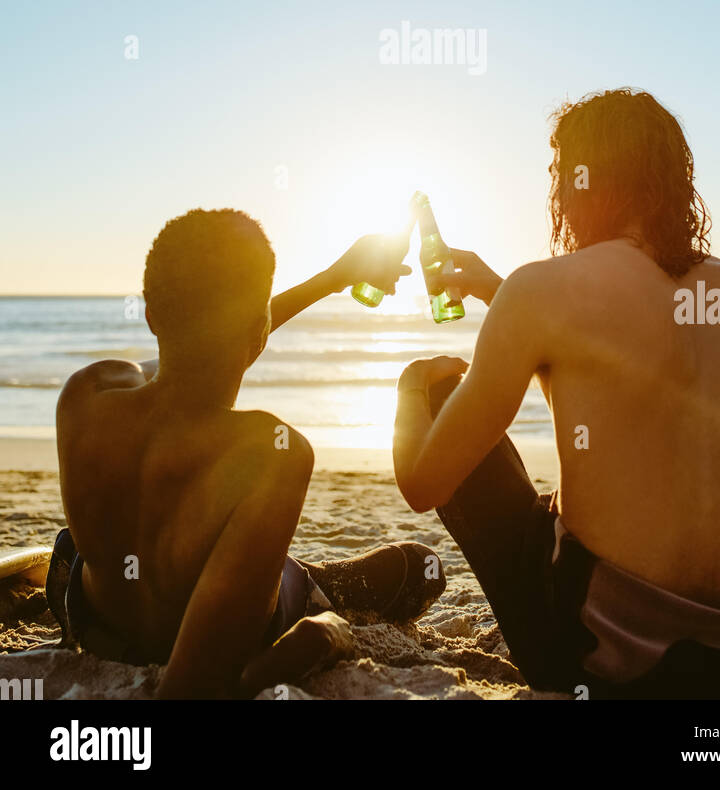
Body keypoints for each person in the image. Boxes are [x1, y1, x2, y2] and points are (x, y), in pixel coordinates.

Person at [393, 88, 720, 699]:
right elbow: (631, 377)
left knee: (440, 403)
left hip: (606, 660)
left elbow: (422, 484)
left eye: (562, 175)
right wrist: (498, 291)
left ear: (579, 184)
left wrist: (410, 387)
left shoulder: (540, 292)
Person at [48, 209, 445, 699]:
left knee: (72, 542)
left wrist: (335, 278)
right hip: (224, 636)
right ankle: (319, 585)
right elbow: (203, 689)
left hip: (96, 624)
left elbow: (190, 353)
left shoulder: (86, 394)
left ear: (151, 314)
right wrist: (324, 633)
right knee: (422, 566)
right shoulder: (272, 454)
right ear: (260, 329)